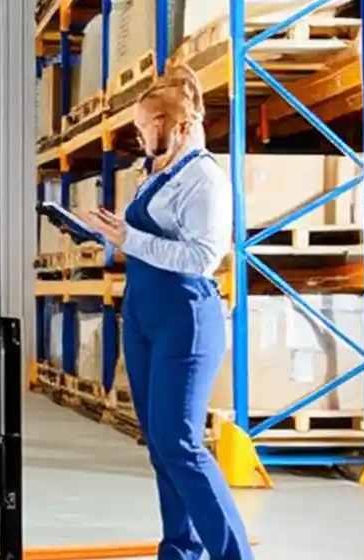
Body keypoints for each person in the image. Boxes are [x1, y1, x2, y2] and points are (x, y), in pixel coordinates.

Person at [78, 67, 252, 560]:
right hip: (144, 316)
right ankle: (180, 551)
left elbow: (202, 257)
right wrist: (108, 235)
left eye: (142, 127)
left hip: (185, 319)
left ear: (169, 124)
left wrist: (129, 239)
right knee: (159, 445)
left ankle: (233, 555)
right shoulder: (157, 174)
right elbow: (147, 243)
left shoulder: (204, 179)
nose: (138, 137)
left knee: (181, 444)